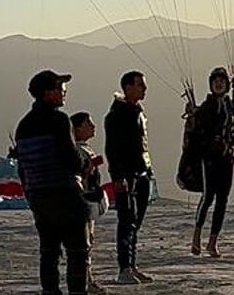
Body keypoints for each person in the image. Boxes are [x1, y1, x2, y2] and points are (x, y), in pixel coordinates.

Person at [13, 69, 90, 295]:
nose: (64, 92)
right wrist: (85, 160)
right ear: (48, 93)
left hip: (38, 196)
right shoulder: (59, 120)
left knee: (49, 251)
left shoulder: (23, 125)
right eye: (60, 88)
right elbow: (71, 158)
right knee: (77, 251)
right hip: (64, 193)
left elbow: (22, 167)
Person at [104, 70, 155, 285]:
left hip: (142, 172)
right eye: (140, 85)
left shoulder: (137, 112)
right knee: (127, 221)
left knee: (136, 222)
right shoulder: (117, 115)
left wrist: (148, 171)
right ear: (128, 87)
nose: (144, 89)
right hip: (127, 176)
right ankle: (124, 268)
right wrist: (118, 176)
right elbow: (112, 149)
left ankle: (132, 266)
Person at [189, 66, 234, 257]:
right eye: (215, 81)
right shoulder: (207, 107)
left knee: (222, 200)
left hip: (227, 160)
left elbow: (229, 133)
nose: (219, 84)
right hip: (209, 159)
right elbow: (200, 135)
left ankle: (212, 242)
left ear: (227, 85)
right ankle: (196, 236)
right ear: (211, 85)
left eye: (222, 81)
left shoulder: (229, 106)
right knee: (208, 197)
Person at [71, 111, 109, 294]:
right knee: (84, 242)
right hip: (82, 200)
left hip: (90, 198)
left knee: (89, 241)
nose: (93, 126)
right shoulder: (77, 151)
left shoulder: (85, 149)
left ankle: (88, 278)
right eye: (88, 123)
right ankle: (85, 280)